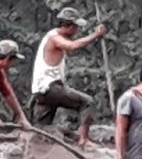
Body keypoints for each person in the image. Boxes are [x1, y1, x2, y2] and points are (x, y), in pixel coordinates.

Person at [30, 8, 107, 146]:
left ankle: (40, 145)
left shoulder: (52, 36)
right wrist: (95, 35)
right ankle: (84, 140)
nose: (76, 30)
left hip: (41, 90)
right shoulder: (54, 38)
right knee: (87, 102)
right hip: (50, 87)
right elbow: (72, 46)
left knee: (41, 128)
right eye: (75, 27)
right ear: (69, 26)